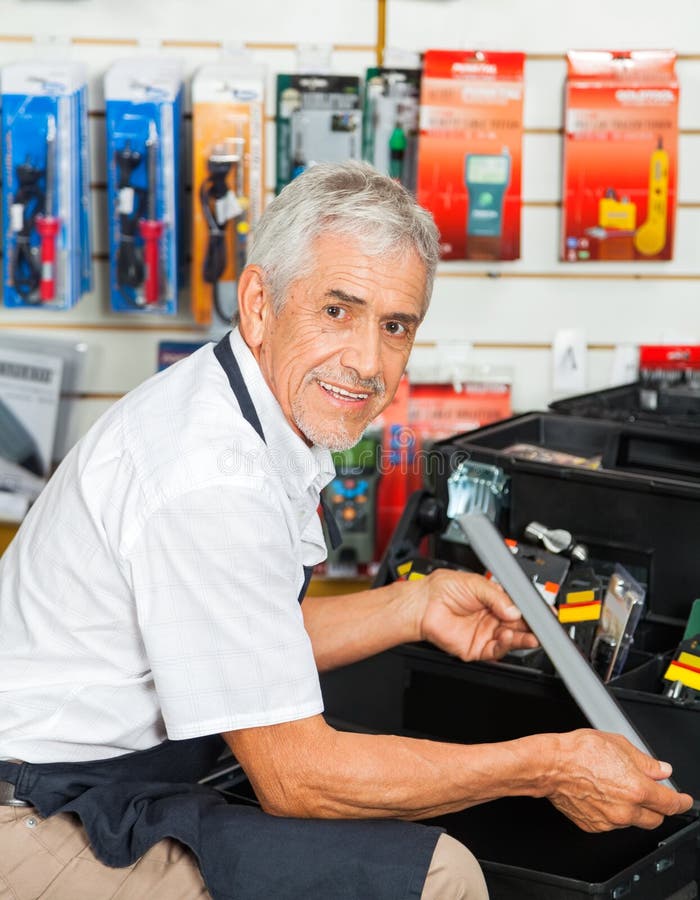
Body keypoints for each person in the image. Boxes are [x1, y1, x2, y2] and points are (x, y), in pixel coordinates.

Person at [0, 161, 692, 900]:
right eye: (338, 310)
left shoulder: (237, 408)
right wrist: (545, 766)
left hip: (109, 778)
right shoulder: (212, 476)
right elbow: (297, 779)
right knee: (440, 879)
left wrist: (413, 608)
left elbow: (240, 635)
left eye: (394, 326)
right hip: (39, 815)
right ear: (260, 303)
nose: (367, 362)